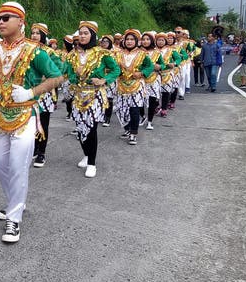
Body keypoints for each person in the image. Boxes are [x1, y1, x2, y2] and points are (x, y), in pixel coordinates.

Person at [0, 2, 62, 241]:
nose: (0, 22)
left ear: (21, 22)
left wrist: (31, 92)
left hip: (25, 115)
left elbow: (56, 77)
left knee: (18, 166)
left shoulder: (34, 50)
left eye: (6, 18)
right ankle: (16, 202)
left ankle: (14, 218)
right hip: (1, 116)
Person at [64, 20, 118, 174]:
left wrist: (103, 80)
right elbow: (69, 73)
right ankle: (86, 155)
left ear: (92, 35)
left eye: (86, 33)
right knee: (80, 128)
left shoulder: (102, 53)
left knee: (92, 128)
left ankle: (92, 164)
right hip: (78, 95)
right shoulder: (72, 55)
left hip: (95, 95)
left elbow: (115, 70)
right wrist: (75, 76)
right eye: (80, 33)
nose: (82, 36)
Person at [112, 29, 154, 145]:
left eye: (132, 39)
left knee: (134, 110)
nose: (129, 42)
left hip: (137, 86)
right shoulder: (118, 54)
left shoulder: (142, 54)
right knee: (121, 110)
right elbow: (113, 67)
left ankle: (133, 133)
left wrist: (142, 73)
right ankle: (127, 129)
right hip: (121, 85)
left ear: (136, 41)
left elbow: (150, 67)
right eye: (127, 39)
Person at [30, 21, 61, 167]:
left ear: (43, 35)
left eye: (38, 33)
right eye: (33, 33)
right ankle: (34, 148)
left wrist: (46, 77)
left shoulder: (50, 53)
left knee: (43, 123)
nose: (34, 36)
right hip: (30, 93)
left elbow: (60, 70)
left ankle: (41, 153)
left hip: (45, 94)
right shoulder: (27, 50)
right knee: (31, 122)